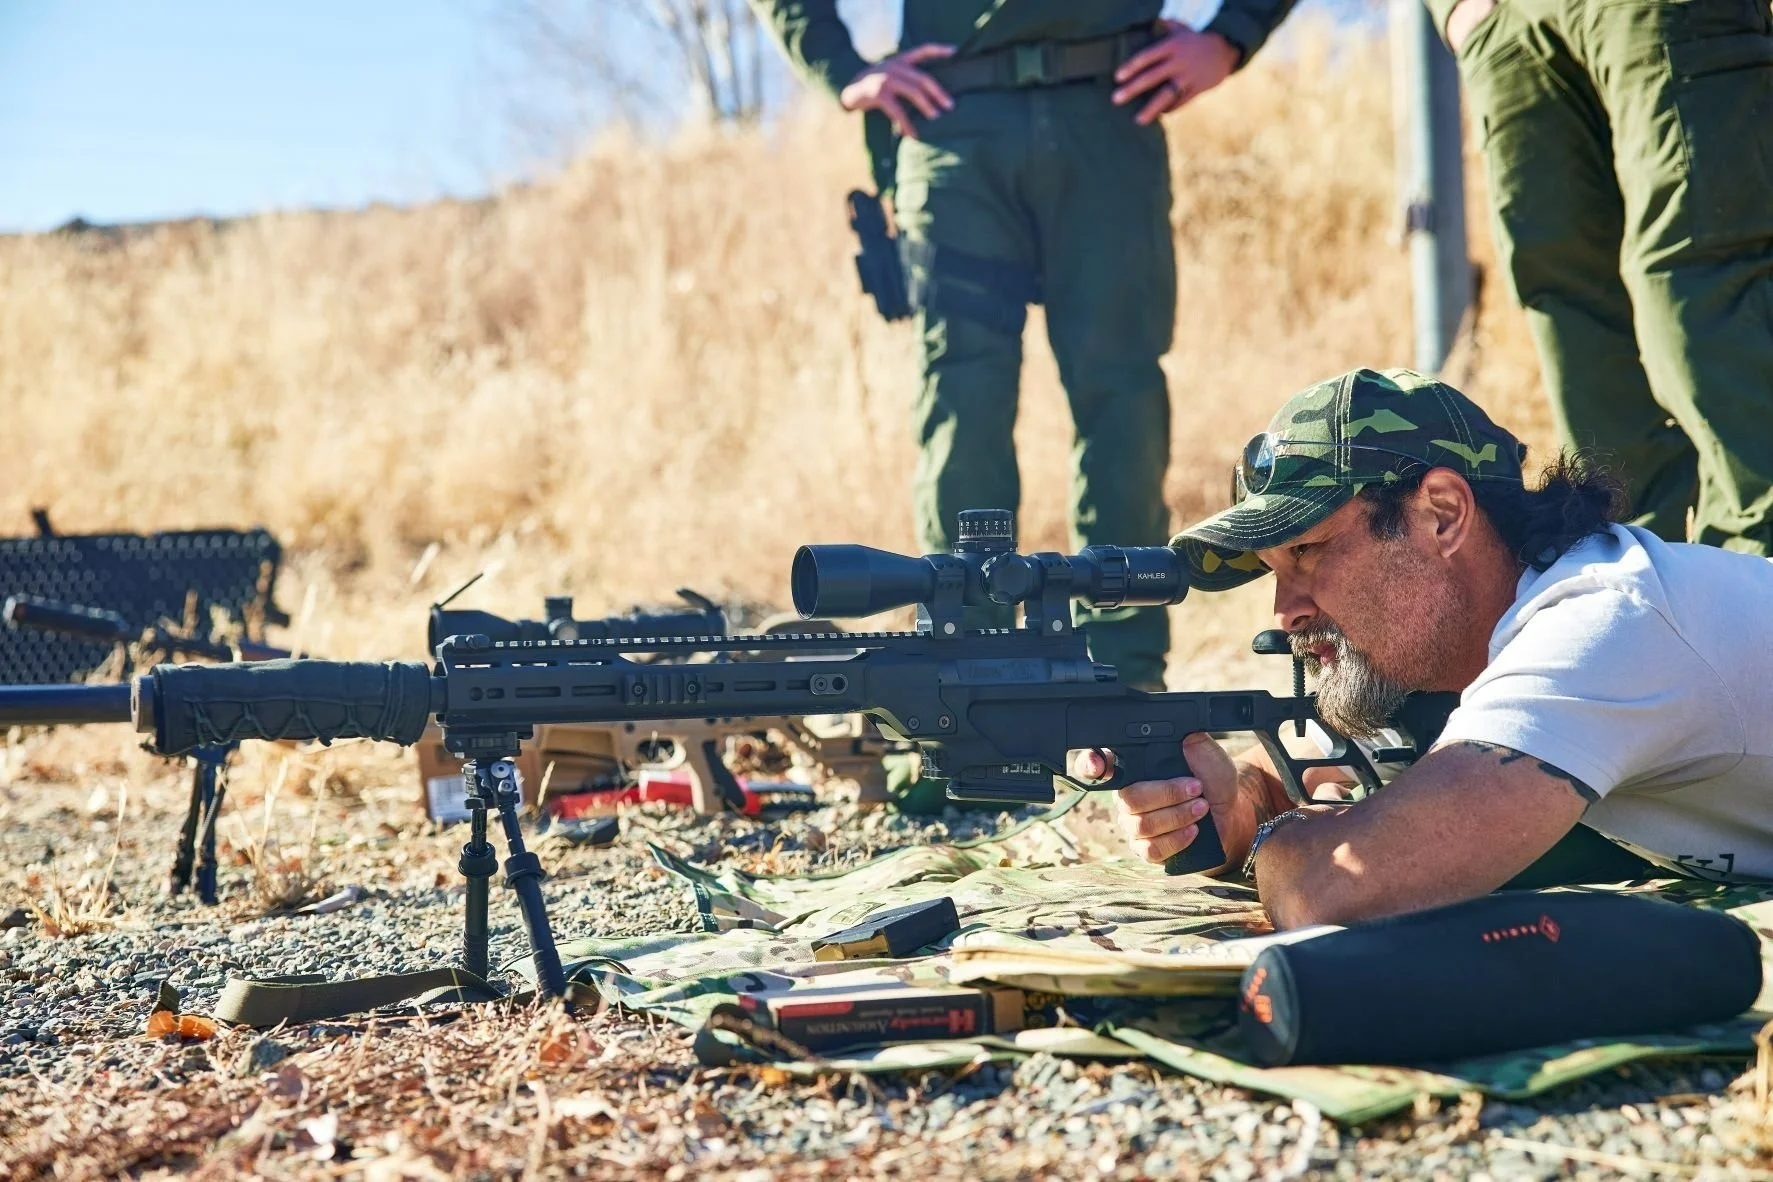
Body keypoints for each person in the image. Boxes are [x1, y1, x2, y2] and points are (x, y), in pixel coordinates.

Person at [748, 0, 1296, 690]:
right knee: (962, 400)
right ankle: (971, 681)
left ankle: (1120, 679)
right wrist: (843, 69)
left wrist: (1229, 35)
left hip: (1109, 115)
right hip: (953, 126)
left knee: (1119, 398)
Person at [1118, 367, 1773, 929]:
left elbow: (1337, 888)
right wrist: (1234, 807)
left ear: (1442, 514)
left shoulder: (1600, 626)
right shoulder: (1451, 653)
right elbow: (1312, 774)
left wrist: (1278, 847)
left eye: (1308, 553)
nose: (1285, 611)